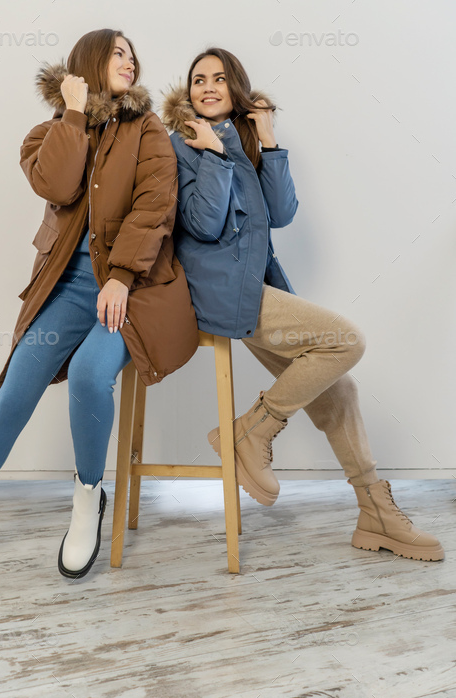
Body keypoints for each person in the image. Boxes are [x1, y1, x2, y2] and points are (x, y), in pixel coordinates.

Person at [0, 29, 199, 598]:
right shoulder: (48, 133)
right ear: (87, 63)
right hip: (66, 291)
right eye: (118, 53)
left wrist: (119, 276)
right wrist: (76, 113)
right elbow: (58, 184)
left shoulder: (149, 129)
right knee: (16, 391)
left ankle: (89, 498)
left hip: (131, 291)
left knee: (90, 376)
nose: (131, 62)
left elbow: (156, 206)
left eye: (134, 55)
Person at [161, 46, 444, 562]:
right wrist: (213, 156)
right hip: (218, 289)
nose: (206, 87)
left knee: (339, 388)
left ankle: (374, 511)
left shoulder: (241, 139)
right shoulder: (179, 145)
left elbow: (283, 213)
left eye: (219, 79)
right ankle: (252, 430)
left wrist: (267, 142)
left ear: (236, 88)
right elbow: (201, 225)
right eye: (198, 78)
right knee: (345, 339)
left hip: (255, 284)